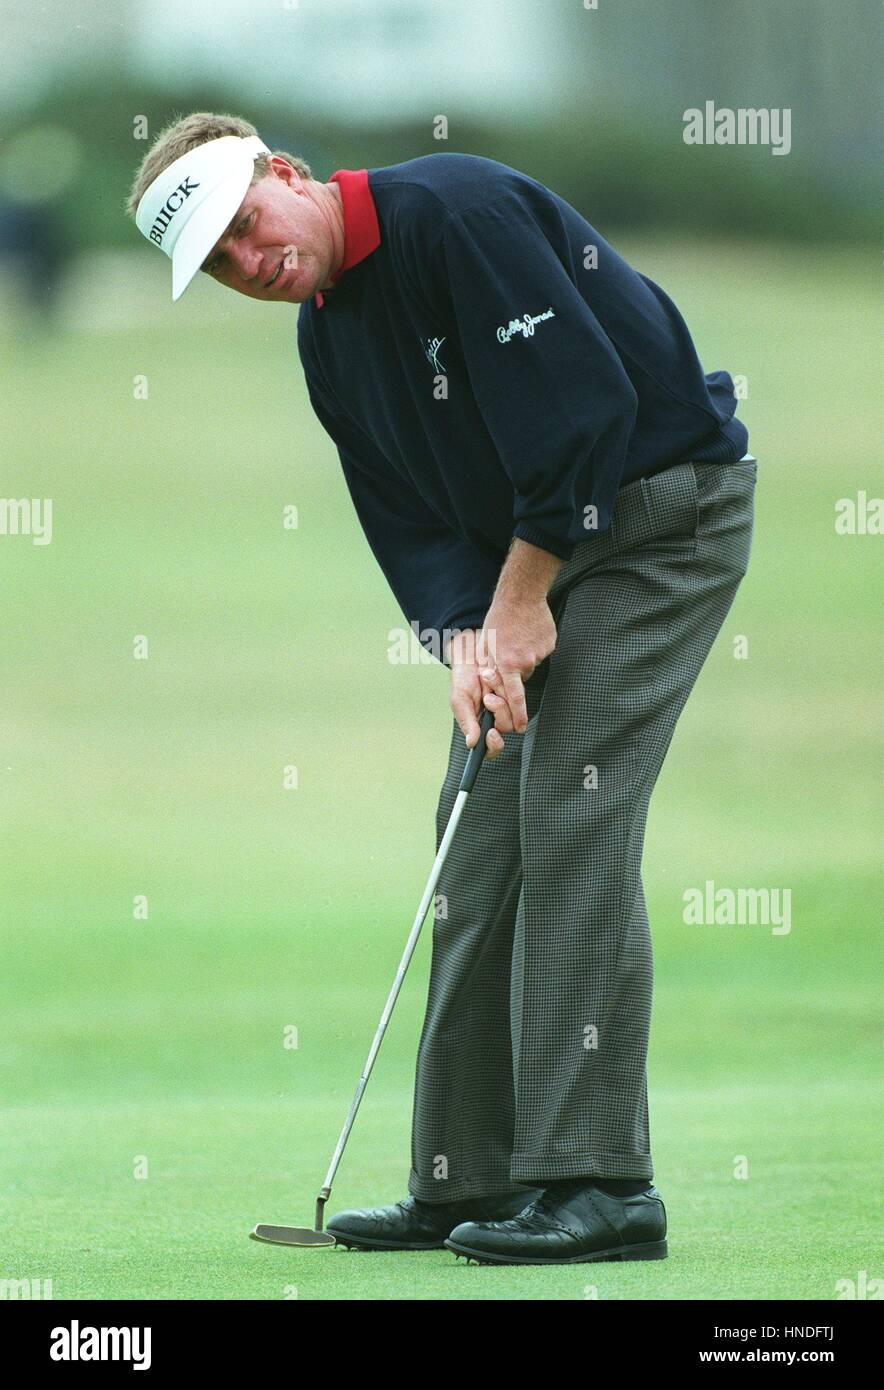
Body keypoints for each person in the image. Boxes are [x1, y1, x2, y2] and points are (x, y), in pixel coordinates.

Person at [128, 113, 756, 1266]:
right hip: (538, 563)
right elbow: (407, 523)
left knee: (571, 808)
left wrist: (515, 604)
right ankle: (458, 1180)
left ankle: (602, 1186)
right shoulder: (326, 342)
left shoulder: (454, 214)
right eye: (216, 263)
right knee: (469, 845)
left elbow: (585, 416)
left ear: (286, 174)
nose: (247, 264)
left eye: (245, 226)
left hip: (663, 519)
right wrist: (465, 636)